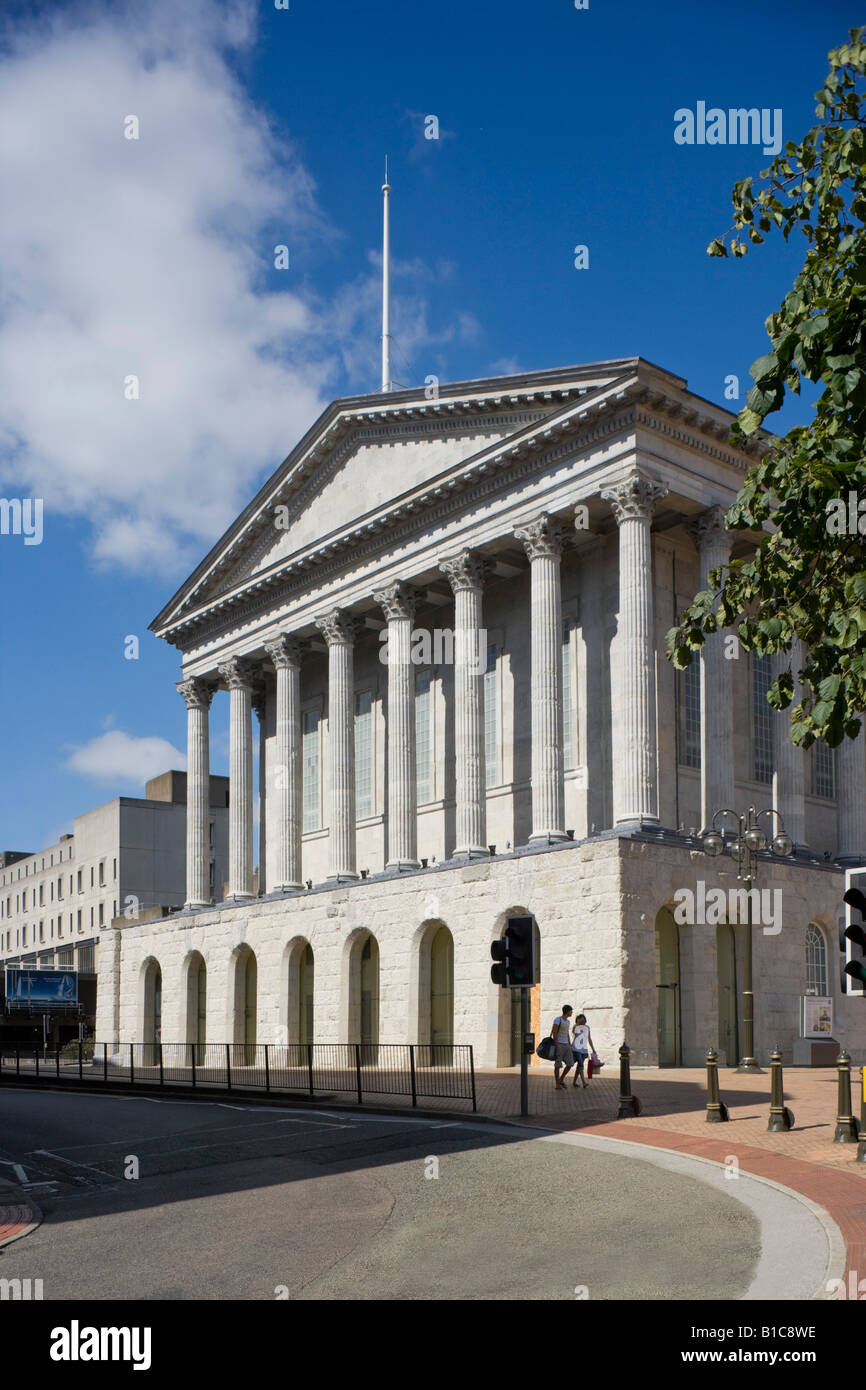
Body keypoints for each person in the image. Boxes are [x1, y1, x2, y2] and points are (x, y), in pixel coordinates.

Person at [550, 1005, 574, 1089]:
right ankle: (557, 1084)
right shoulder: (558, 1020)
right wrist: (556, 1044)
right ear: (567, 1011)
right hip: (559, 1044)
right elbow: (554, 1032)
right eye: (571, 1011)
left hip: (566, 1045)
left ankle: (561, 1079)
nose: (572, 1012)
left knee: (570, 1063)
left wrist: (569, 1044)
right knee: (558, 1065)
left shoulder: (568, 1022)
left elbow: (567, 1033)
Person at [571, 1013, 595, 1089]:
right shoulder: (576, 1027)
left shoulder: (587, 1027)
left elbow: (589, 1039)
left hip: (584, 1050)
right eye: (580, 1018)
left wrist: (593, 1049)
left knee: (579, 1066)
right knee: (581, 1064)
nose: (583, 1020)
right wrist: (578, 1023)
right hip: (576, 1049)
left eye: (583, 1018)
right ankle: (584, 1082)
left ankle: (574, 1082)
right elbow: (573, 1032)